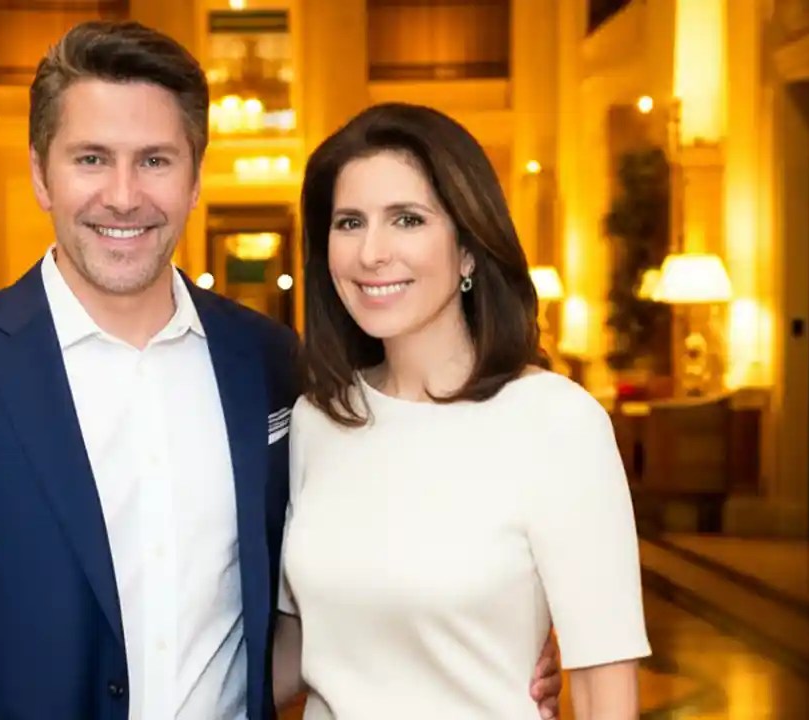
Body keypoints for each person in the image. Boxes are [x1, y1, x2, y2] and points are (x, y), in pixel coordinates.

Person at [0, 20, 563, 720]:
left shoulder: (273, 366)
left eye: (154, 159)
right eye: (91, 158)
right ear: (40, 174)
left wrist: (492, 642)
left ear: (194, 178)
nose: (123, 195)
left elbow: (344, 572)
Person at [272, 103, 651, 719]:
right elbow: (302, 647)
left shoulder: (555, 423)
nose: (372, 252)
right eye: (349, 222)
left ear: (470, 250)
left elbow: (609, 690)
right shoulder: (319, 419)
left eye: (407, 219)